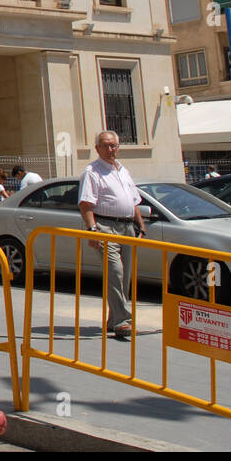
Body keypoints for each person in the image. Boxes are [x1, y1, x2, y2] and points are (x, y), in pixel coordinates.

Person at [77, 130, 146, 340]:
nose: (110, 149)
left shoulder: (122, 170)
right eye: (105, 145)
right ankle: (123, 320)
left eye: (113, 145)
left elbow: (133, 202)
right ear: (97, 148)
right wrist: (92, 230)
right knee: (115, 272)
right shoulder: (92, 172)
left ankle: (113, 319)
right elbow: (85, 204)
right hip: (106, 227)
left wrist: (140, 226)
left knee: (124, 277)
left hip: (127, 228)